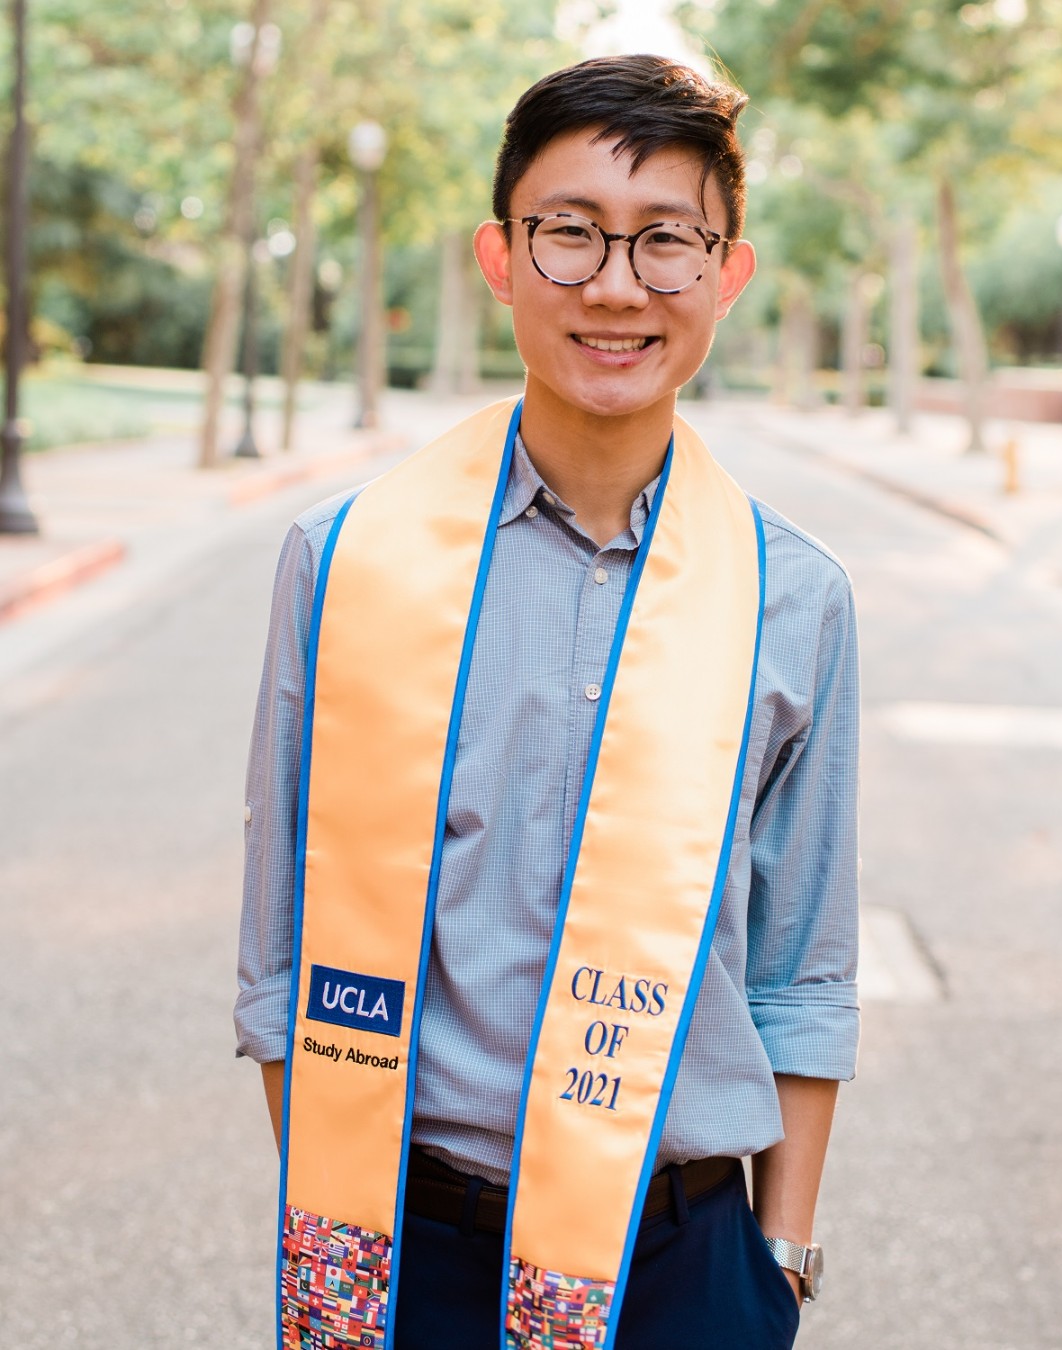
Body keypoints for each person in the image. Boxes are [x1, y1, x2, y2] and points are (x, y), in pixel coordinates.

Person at [235, 54, 859, 1350]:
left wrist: (780, 1259)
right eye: (569, 234)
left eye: (666, 241)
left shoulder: (793, 598)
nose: (617, 285)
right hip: (413, 1252)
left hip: (684, 1265)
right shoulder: (349, 562)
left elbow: (805, 969)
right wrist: (340, 1231)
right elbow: (283, 955)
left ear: (727, 273)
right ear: (501, 256)